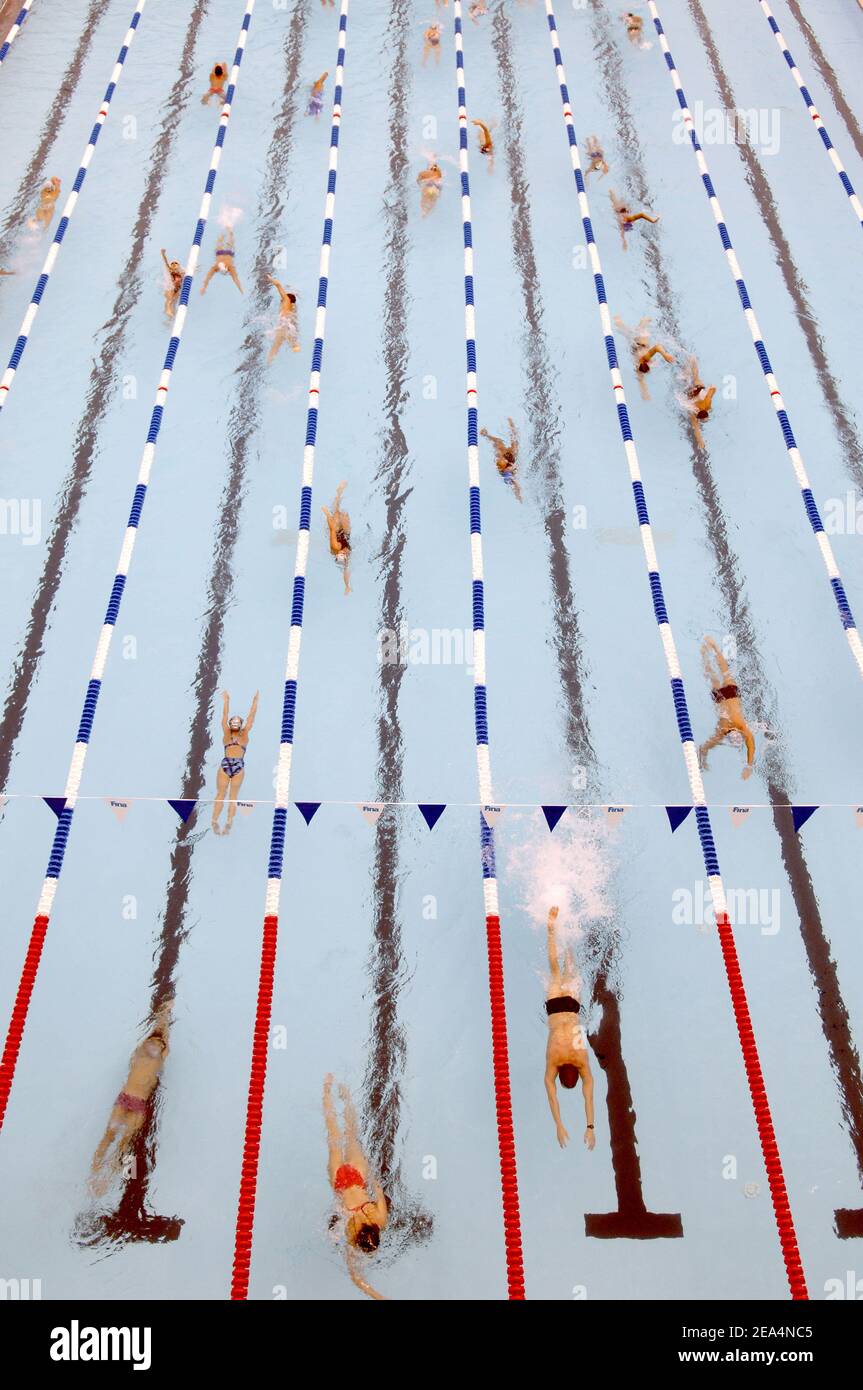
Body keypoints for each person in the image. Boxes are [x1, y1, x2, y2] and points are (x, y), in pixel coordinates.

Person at [89, 1002, 173, 1196]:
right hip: (125, 1099)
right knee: (109, 1136)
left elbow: (164, 1036)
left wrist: (166, 1014)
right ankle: (94, 1173)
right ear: (145, 1044)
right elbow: (152, 1033)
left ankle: (117, 1181)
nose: (157, 1045)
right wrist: (161, 1015)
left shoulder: (159, 1060)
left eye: (160, 1045)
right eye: (153, 1042)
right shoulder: (138, 1055)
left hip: (139, 1106)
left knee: (126, 1144)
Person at [324, 1075, 388, 1300]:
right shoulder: (380, 1218)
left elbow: (356, 1277)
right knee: (350, 1134)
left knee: (334, 1136)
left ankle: (327, 1091)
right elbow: (378, 1188)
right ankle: (346, 1096)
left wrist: (378, 1297)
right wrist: (369, 1173)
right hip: (357, 1176)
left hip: (342, 1181)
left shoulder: (353, 1237)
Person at [544, 907, 595, 1150]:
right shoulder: (553, 1063)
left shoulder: (581, 1060)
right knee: (555, 969)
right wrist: (558, 1124)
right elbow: (552, 1096)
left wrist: (590, 1126)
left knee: (568, 967)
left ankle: (565, 935)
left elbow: (588, 1095)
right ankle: (553, 930)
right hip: (554, 1009)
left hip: (572, 1009)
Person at [698, 637, 755, 779]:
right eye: (738, 738)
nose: (736, 736)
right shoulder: (743, 727)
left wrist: (702, 760)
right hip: (733, 694)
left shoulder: (721, 733)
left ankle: (704, 653)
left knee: (712, 675)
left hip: (720, 699)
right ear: (740, 735)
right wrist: (749, 766)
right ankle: (715, 648)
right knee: (725, 672)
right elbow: (751, 746)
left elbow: (704, 748)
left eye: (733, 739)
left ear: (728, 738)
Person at [212, 689, 259, 834]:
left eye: (238, 720)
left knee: (233, 796)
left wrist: (255, 702)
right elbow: (224, 716)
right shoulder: (226, 733)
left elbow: (251, 717)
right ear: (230, 723)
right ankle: (214, 821)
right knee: (221, 794)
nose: (235, 721)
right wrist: (226, 701)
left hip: (239, 766)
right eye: (233, 720)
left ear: (240, 724)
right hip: (225, 765)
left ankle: (229, 822)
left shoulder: (245, 734)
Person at [614, 315, 674, 400]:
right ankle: (619, 322)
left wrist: (665, 355)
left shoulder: (646, 358)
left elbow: (657, 347)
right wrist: (644, 393)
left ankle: (624, 322)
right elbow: (641, 380)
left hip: (640, 342)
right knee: (629, 333)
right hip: (635, 346)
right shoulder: (639, 364)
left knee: (639, 329)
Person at [679, 355, 716, 449]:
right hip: (693, 391)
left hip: (699, 388)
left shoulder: (707, 404)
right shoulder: (693, 411)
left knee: (694, 378)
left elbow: (713, 388)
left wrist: (709, 392)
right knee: (687, 379)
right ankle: (690, 361)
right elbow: (696, 428)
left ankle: (692, 360)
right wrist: (700, 441)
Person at [481, 419, 523, 502]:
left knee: (502, 443)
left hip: (507, 468)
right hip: (506, 468)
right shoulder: (507, 452)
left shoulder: (510, 452)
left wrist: (511, 424)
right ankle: (519, 497)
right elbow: (514, 436)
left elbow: (514, 436)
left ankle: (519, 498)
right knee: (501, 443)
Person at [322, 481, 352, 594]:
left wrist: (327, 514)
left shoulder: (336, 546)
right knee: (346, 515)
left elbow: (332, 529)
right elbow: (345, 571)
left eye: (343, 553)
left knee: (337, 513)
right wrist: (347, 586)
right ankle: (338, 496)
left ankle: (339, 493)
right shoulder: (346, 556)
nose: (346, 552)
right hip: (346, 536)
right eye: (345, 554)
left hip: (336, 532)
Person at [200, 227, 243, 295]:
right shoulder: (230, 268)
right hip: (226, 252)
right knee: (228, 241)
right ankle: (229, 231)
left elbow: (208, 278)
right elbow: (236, 279)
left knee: (222, 241)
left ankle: (226, 230)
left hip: (222, 252)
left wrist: (204, 287)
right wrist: (240, 288)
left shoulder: (215, 267)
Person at [267, 275, 300, 361]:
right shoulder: (292, 307)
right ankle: (295, 347)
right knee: (291, 341)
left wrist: (271, 279)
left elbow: (278, 285)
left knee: (275, 346)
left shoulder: (286, 300)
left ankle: (269, 362)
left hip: (283, 324)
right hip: (288, 324)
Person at [160, 249, 184, 320]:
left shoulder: (181, 273)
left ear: (179, 266)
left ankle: (169, 318)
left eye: (175, 263)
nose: (173, 264)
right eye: (172, 263)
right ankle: (168, 311)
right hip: (170, 288)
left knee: (174, 302)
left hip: (177, 289)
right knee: (169, 300)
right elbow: (165, 262)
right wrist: (163, 254)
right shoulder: (170, 271)